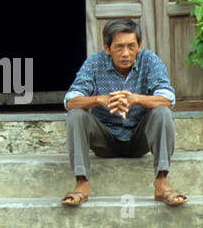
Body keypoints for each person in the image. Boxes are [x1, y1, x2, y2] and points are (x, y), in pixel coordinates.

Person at [61, 18, 187, 207]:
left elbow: (168, 98)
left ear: (139, 46)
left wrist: (136, 99)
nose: (126, 53)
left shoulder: (149, 60)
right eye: (119, 47)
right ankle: (81, 184)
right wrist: (98, 100)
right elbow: (70, 101)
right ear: (107, 48)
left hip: (139, 139)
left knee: (162, 112)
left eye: (131, 46)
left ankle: (161, 184)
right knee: (76, 114)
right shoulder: (94, 63)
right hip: (105, 140)